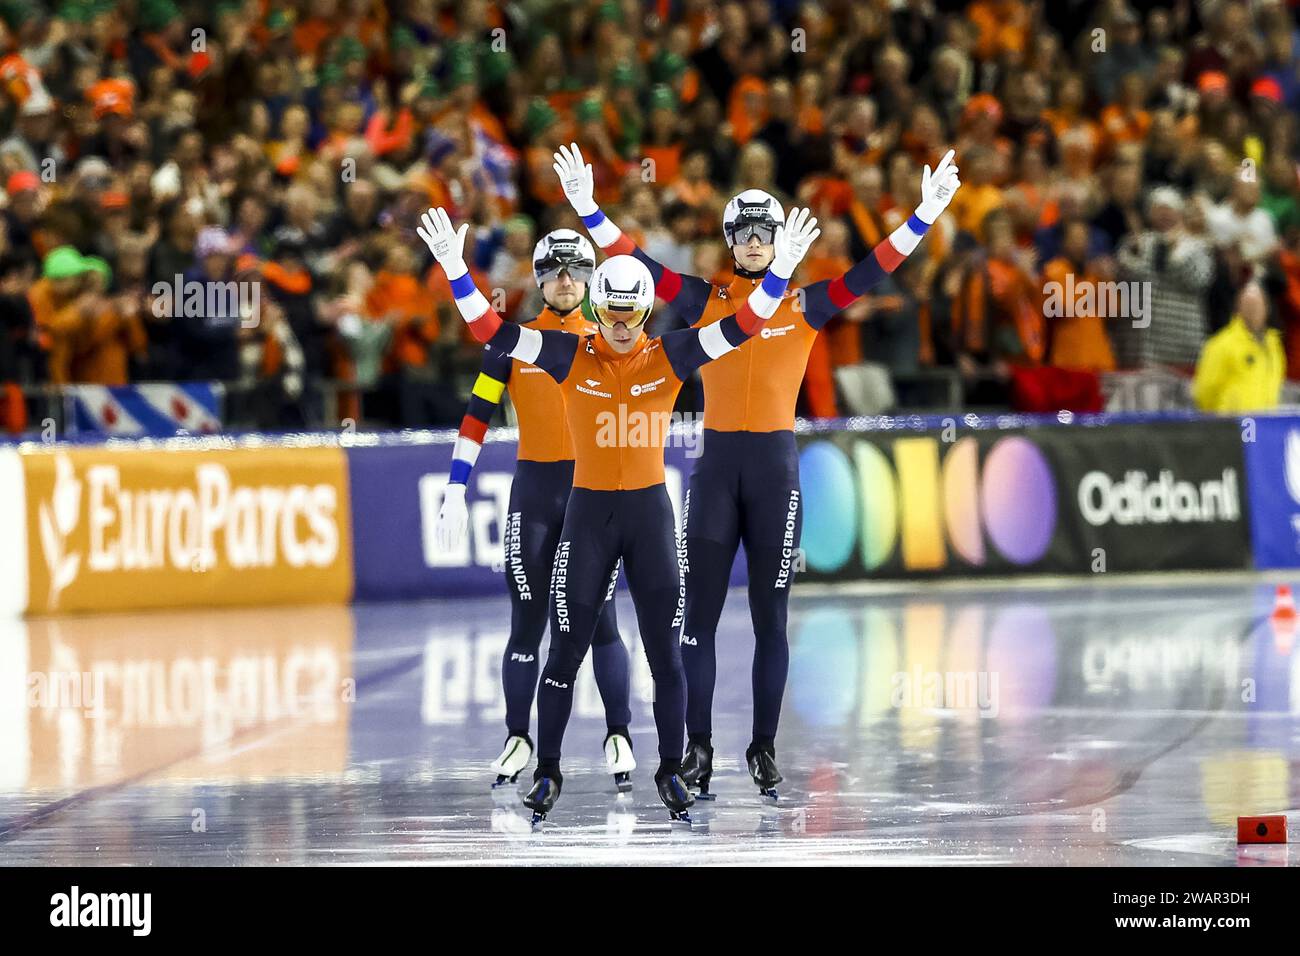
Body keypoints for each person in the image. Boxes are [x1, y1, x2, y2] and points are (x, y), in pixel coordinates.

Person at [554, 141, 960, 799]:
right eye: (739, 232)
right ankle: (700, 748)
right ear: (728, 240)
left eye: (761, 233)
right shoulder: (705, 299)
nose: (750, 241)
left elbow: (871, 270)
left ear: (776, 241)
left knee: (772, 616)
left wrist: (922, 215)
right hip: (716, 472)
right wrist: (588, 209)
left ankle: (765, 749)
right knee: (699, 621)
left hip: (774, 473)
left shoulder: (806, 303)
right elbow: (638, 264)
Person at [418, 203, 821, 822]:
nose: (626, 324)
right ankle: (547, 768)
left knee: (664, 652)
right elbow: (493, 336)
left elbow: (743, 325)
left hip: (648, 519)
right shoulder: (567, 354)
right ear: (598, 310)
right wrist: (454, 268)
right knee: (565, 648)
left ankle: (669, 767)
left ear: (645, 311)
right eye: (616, 312)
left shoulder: (671, 355)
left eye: (635, 312)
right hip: (589, 517)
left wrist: (781, 273)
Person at [433, 229, 636, 793]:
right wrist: (456, 485)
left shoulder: (612, 339)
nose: (567, 280)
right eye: (556, 271)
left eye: (577, 271)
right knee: (527, 620)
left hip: (594, 496)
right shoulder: (513, 341)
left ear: (593, 279)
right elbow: (478, 411)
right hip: (537, 493)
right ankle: (518, 736)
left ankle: (618, 731)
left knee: (601, 622)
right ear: (540, 280)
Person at [1191, 281, 1284, 413]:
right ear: (1238, 308)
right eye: (1248, 305)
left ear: (1266, 308)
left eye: (1257, 305)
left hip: (1265, 425)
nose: (1253, 311)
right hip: (1230, 426)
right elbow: (1204, 391)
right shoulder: (1220, 344)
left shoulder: (1274, 345)